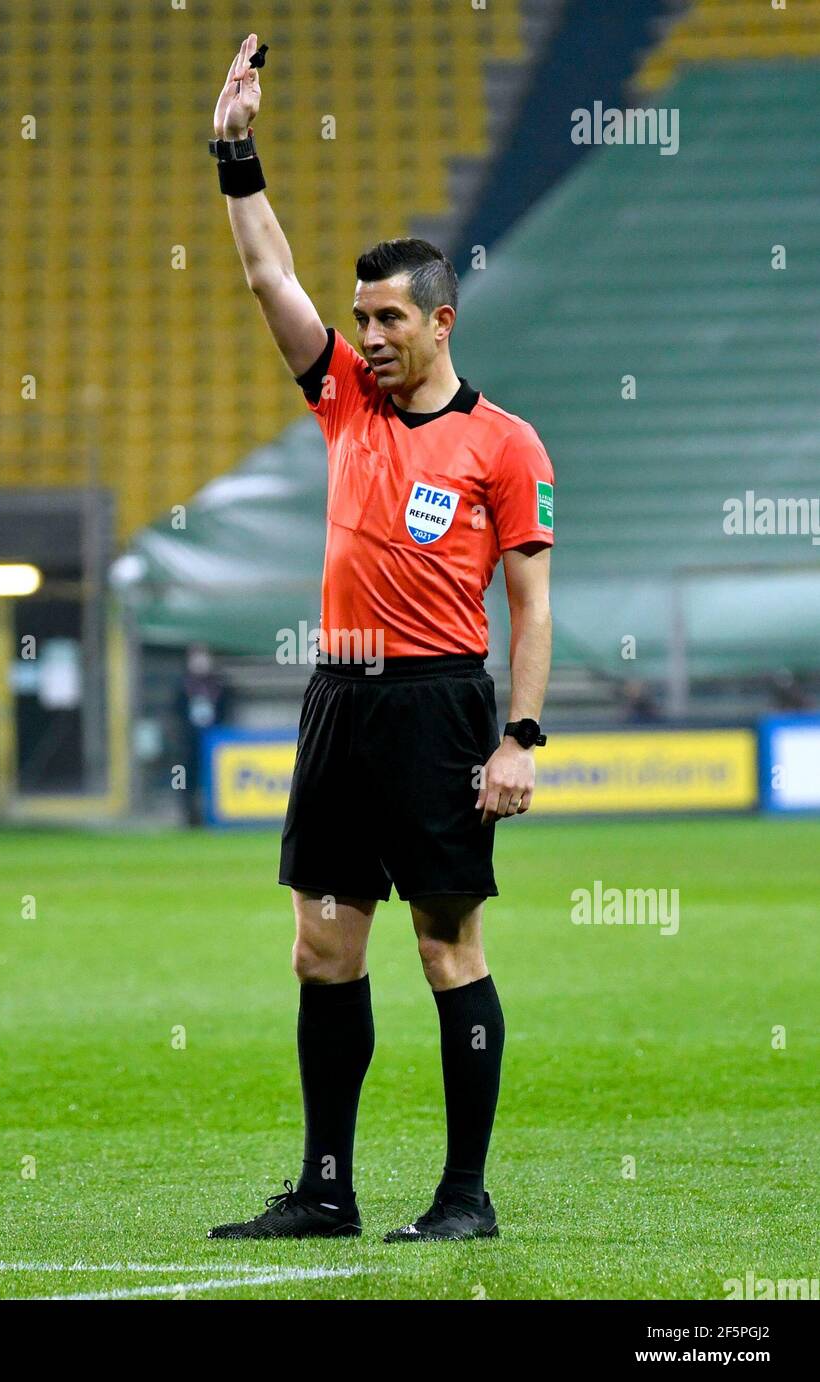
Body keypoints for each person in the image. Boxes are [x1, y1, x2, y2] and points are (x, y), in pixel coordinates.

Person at [207, 36, 554, 1242]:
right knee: (320, 942)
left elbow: (531, 604)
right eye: (361, 318)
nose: (370, 336)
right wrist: (235, 151)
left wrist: (519, 735)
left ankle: (465, 1195)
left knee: (444, 944)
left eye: (390, 317)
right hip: (339, 698)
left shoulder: (502, 445)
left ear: (443, 317)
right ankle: (326, 1190)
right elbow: (265, 276)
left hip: (440, 705)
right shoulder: (342, 397)